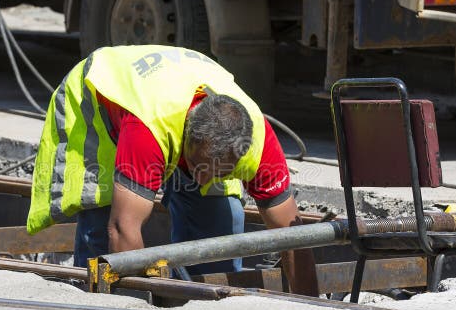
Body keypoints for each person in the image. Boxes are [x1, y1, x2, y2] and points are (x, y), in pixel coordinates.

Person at [27, 45, 317, 294]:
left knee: (217, 231)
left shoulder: (256, 141)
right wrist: (141, 308)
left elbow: (292, 236)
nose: (202, 179)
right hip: (99, 97)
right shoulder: (149, 127)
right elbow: (122, 228)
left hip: (180, 99)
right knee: (104, 228)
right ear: (184, 138)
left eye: (217, 171)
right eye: (197, 167)